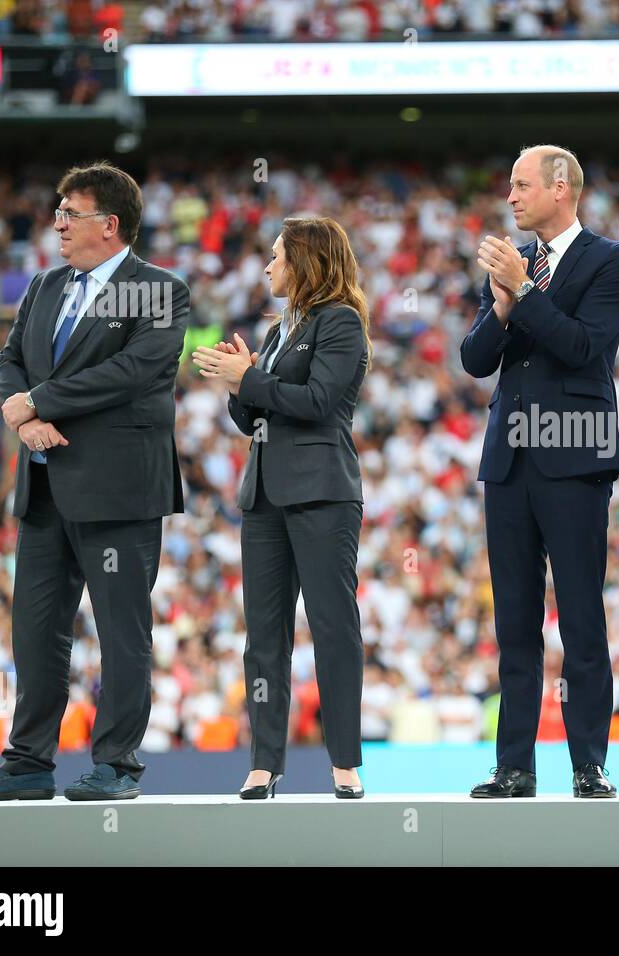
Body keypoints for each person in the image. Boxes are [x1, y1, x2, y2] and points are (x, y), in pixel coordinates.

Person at [0, 162, 189, 802]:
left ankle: (117, 765)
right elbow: (9, 364)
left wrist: (39, 402)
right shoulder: (45, 285)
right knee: (34, 631)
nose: (56, 221)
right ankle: (29, 762)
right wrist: (26, 421)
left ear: (110, 226)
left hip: (118, 489)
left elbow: (133, 372)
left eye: (70, 212)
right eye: (57, 209)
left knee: (121, 631)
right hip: (44, 483)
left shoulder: (159, 290)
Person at [460, 145, 619, 798]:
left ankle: (589, 763)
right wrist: (504, 306)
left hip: (575, 456)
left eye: (522, 184)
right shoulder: (514, 265)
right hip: (510, 459)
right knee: (514, 622)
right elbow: (476, 360)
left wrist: (525, 292)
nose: (511, 196)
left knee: (582, 618)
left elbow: (584, 349)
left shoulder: (610, 260)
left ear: (561, 188)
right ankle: (514, 766)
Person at [191, 216, 372, 799]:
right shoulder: (278, 331)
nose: (268, 266)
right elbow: (255, 417)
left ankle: (344, 762)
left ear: (306, 262)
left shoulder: (341, 323)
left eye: (276, 256)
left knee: (332, 626)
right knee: (264, 636)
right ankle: (265, 763)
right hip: (264, 495)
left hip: (322, 491)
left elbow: (319, 402)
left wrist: (252, 381)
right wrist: (238, 383)